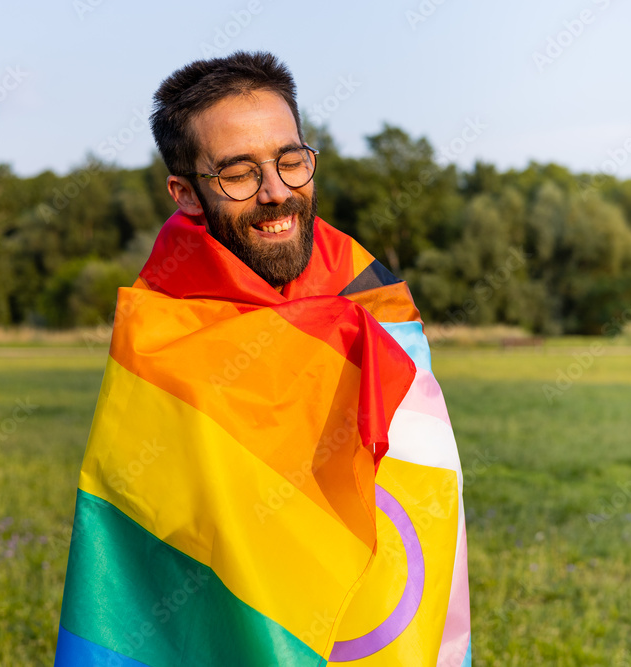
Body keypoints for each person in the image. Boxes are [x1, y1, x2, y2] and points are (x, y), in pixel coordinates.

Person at [54, 51, 471, 667]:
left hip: (373, 626)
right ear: (186, 193)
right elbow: (140, 556)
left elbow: (419, 487)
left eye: (290, 161)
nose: (276, 194)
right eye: (238, 174)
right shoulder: (163, 334)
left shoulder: (371, 295)